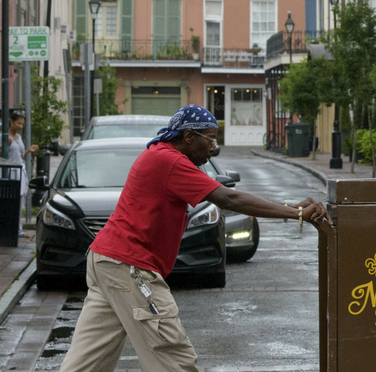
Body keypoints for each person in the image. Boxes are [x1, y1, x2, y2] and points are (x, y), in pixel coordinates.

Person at [58, 105, 331, 372]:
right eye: (210, 139)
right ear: (189, 137)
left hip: (107, 261)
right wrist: (297, 213)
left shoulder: (161, 154)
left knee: (87, 360)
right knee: (172, 354)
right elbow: (228, 197)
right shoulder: (170, 161)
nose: (214, 148)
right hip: (130, 266)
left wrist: (291, 207)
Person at [0, 109, 38, 237]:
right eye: (18, 123)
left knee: (20, 200)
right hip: (11, 172)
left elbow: (19, 155)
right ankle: (12, 229)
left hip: (20, 170)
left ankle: (18, 229)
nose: (20, 127)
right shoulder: (4, 137)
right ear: (11, 121)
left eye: (22, 124)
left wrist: (28, 150)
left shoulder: (19, 137)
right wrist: (6, 145)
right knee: (12, 201)